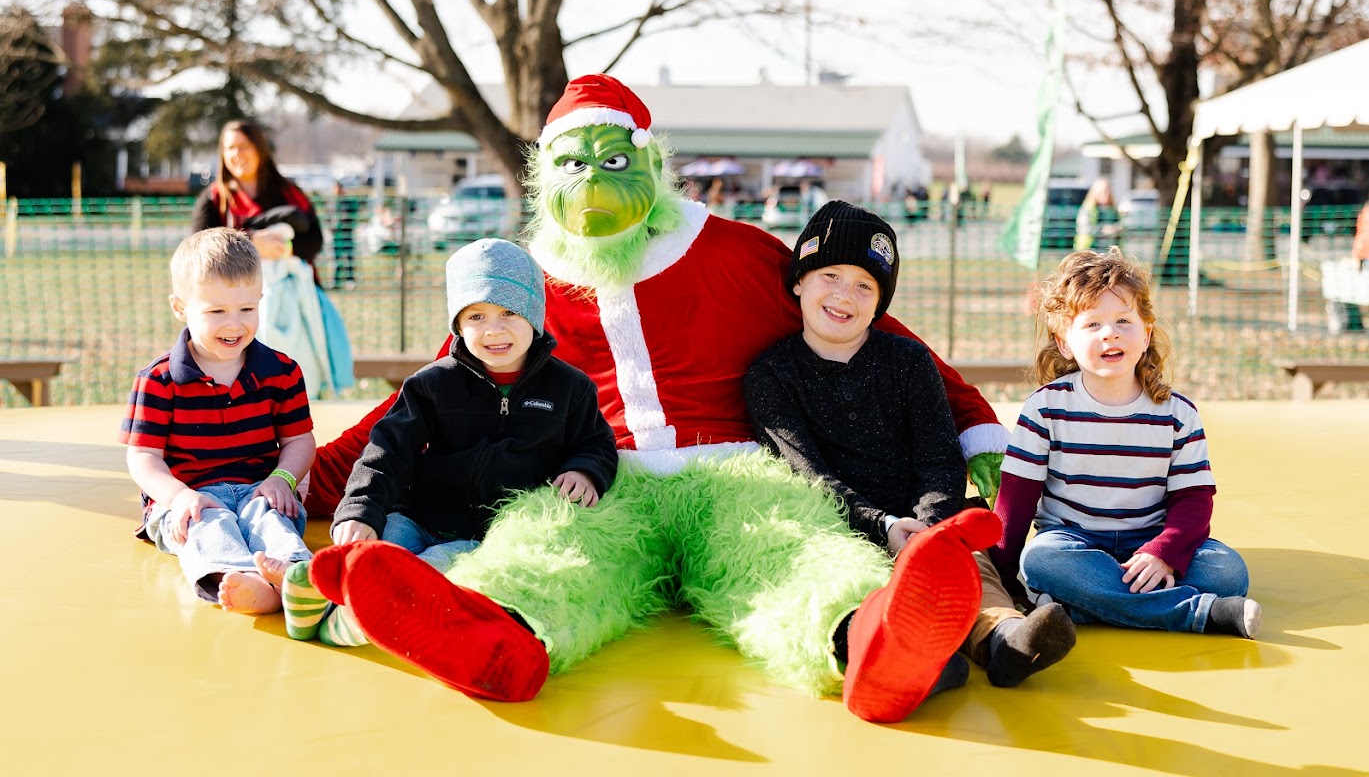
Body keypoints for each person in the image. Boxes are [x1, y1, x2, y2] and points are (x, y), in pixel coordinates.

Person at [301, 75, 1009, 723]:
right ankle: (493, 632)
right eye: (571, 165)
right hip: (602, 478)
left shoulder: (732, 252)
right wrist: (304, 481)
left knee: (790, 553)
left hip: (731, 475)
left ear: (649, 163)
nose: (590, 181)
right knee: (546, 546)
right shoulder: (527, 291)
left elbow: (874, 329)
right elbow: (430, 397)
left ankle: (868, 637)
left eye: (610, 162)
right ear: (546, 175)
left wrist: (973, 421)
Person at [745, 201, 1076, 690]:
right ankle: (911, 651)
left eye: (864, 285)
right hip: (838, 525)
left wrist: (929, 525)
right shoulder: (770, 374)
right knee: (851, 580)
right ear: (800, 280)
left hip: (923, 519)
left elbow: (938, 454)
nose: (844, 295)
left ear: (880, 301)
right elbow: (806, 475)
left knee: (969, 566)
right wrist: (882, 527)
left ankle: (1004, 637)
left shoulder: (908, 361)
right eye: (830, 276)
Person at [282, 238, 618, 646]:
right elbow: (386, 451)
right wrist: (360, 511)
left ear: (536, 313)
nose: (494, 329)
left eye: (509, 312)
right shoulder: (433, 384)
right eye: (477, 315)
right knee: (377, 550)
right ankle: (315, 594)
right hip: (417, 513)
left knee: (427, 571)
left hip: (482, 532)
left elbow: (597, 442)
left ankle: (354, 620)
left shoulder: (569, 388)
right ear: (458, 324)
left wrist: (584, 470)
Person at [990, 248, 1262, 639]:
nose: (1110, 333)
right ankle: (1198, 614)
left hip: (1150, 539)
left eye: (1123, 320)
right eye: (1092, 324)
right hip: (1074, 543)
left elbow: (1194, 499)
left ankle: (1083, 605)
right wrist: (1006, 578)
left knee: (1228, 571)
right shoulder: (1045, 407)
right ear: (1064, 342)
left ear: (1146, 333)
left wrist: (1164, 552)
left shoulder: (1177, 413)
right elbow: (1016, 499)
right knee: (1040, 560)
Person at [120, 227, 315, 615]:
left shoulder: (282, 371)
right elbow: (143, 458)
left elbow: (299, 440)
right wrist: (177, 496)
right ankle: (239, 580)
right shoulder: (158, 380)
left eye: (247, 309)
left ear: (261, 300)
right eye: (216, 312)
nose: (234, 324)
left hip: (259, 487)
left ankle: (296, 575)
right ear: (181, 308)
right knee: (208, 523)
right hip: (189, 495)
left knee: (272, 518)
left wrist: (284, 479)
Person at [191, 119, 324, 269]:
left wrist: (282, 248)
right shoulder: (213, 198)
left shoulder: (290, 192)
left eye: (244, 146)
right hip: (238, 289)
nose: (237, 153)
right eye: (231, 148)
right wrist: (251, 242)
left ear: (259, 149)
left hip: (293, 285)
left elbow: (315, 240)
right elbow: (200, 248)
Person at [1074, 177, 1121, 252]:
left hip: (1109, 252)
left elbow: (1119, 225)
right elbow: (1084, 229)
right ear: (1095, 192)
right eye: (1103, 191)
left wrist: (1117, 228)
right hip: (1088, 251)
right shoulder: (1088, 209)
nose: (1106, 194)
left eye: (1108, 191)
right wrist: (1102, 230)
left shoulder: (1113, 210)